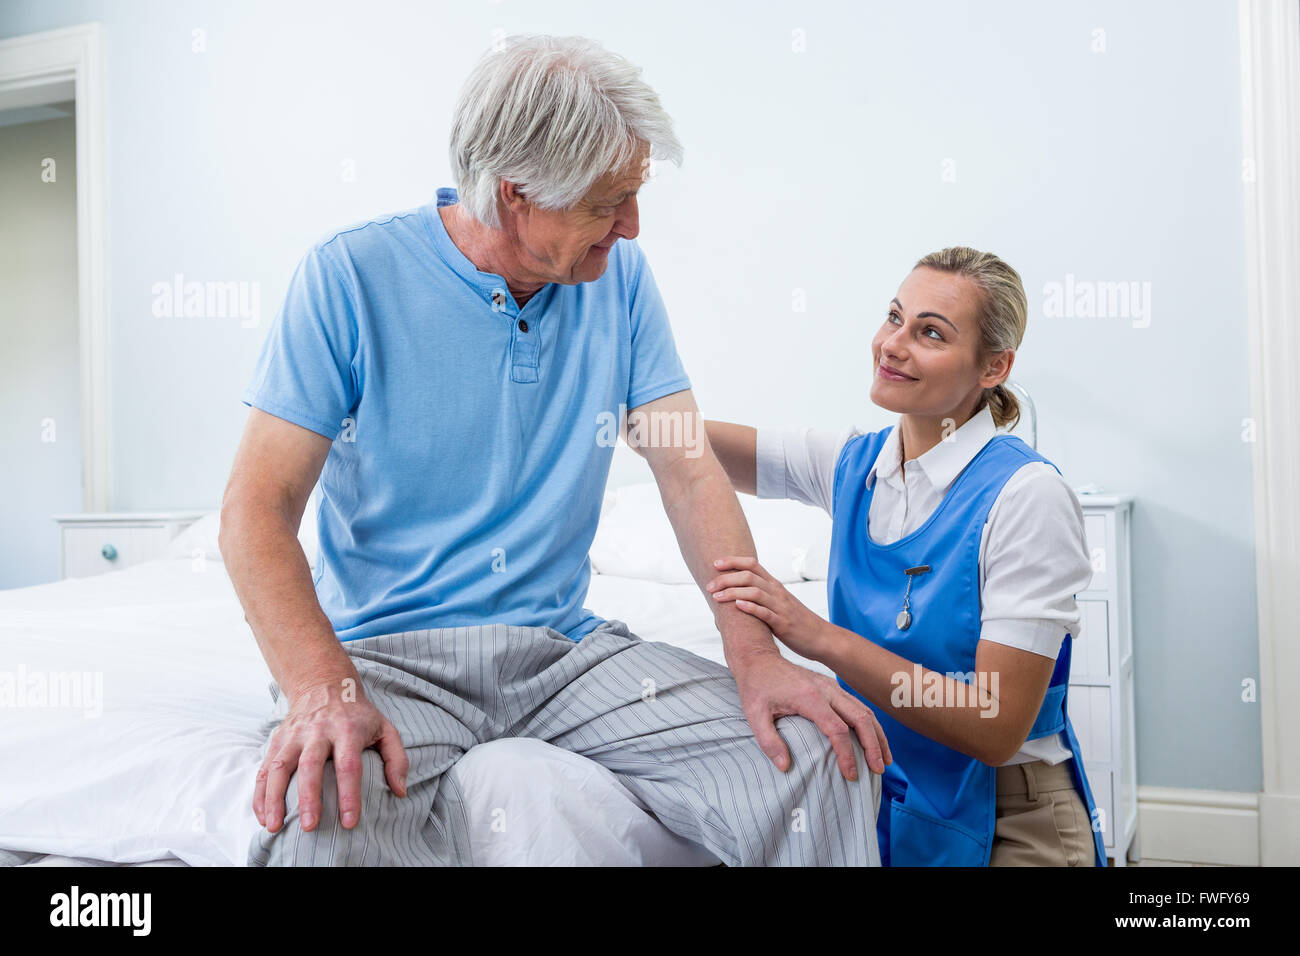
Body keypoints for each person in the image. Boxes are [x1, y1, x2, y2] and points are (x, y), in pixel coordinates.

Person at [220, 33, 888, 867]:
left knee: (818, 749)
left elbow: (685, 467)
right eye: (610, 202)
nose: (633, 226)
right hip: (390, 658)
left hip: (561, 656)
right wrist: (321, 688)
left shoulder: (621, 282)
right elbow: (256, 511)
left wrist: (754, 657)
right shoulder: (350, 277)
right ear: (516, 195)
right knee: (319, 818)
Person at [704, 247, 1108, 866]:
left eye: (930, 333)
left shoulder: (1026, 497)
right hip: (885, 794)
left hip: (1010, 817)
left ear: (993, 367)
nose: (893, 344)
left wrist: (817, 637)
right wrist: (616, 394)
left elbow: (995, 728)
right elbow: (681, 440)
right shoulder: (851, 464)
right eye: (894, 318)